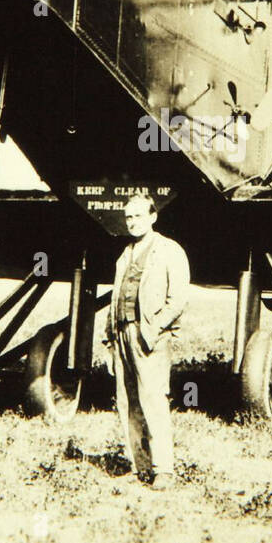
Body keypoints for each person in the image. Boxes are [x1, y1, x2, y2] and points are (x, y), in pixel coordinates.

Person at [104, 194, 189, 490]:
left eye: (139, 216)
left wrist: (154, 328)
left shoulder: (169, 251)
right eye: (129, 217)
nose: (133, 222)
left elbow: (177, 300)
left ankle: (163, 469)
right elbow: (116, 297)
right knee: (128, 401)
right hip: (122, 335)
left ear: (153, 217)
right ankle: (137, 465)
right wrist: (110, 340)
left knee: (153, 400)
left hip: (148, 337)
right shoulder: (124, 255)